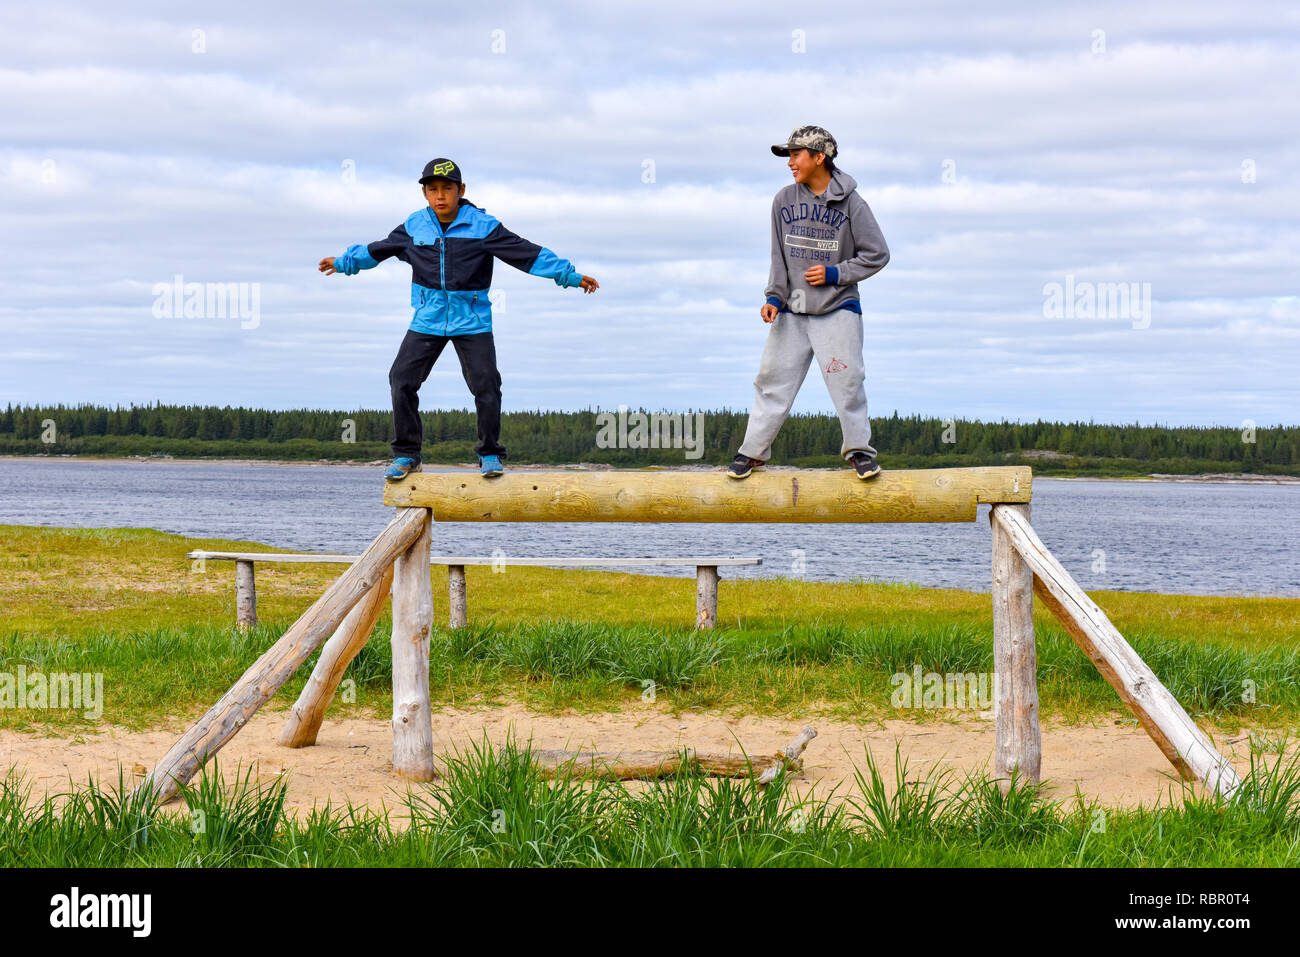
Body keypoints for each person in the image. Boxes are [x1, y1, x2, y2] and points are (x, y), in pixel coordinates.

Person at [319, 158, 598, 480]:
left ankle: (490, 454)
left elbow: (528, 254)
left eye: (447, 189)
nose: (440, 196)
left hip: (472, 320)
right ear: (425, 193)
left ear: (460, 190)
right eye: (433, 189)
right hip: (428, 318)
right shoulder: (414, 226)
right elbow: (377, 250)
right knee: (401, 380)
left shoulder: (483, 226)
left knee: (486, 385)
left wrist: (570, 276)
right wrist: (342, 262)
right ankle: (408, 455)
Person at [728, 126, 889, 480]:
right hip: (792, 311)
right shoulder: (783, 200)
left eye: (796, 154)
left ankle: (859, 452)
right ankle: (752, 453)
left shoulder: (853, 204)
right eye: (788, 155)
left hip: (837, 309)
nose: (790, 162)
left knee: (847, 382)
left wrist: (836, 274)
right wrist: (774, 296)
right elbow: (778, 257)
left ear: (820, 157)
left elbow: (877, 254)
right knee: (771, 381)